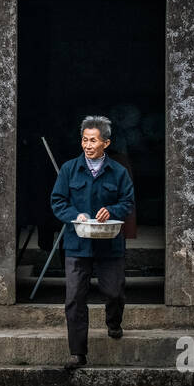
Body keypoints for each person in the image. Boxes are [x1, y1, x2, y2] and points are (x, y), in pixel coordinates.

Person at [50, 115, 135, 371]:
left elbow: (127, 203)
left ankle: (113, 322)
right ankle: (77, 353)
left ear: (106, 143)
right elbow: (58, 201)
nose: (88, 145)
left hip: (109, 244)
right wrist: (76, 215)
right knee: (75, 298)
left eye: (94, 140)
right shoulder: (69, 169)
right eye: (85, 140)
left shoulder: (119, 172)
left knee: (114, 291)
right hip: (78, 243)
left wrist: (111, 210)